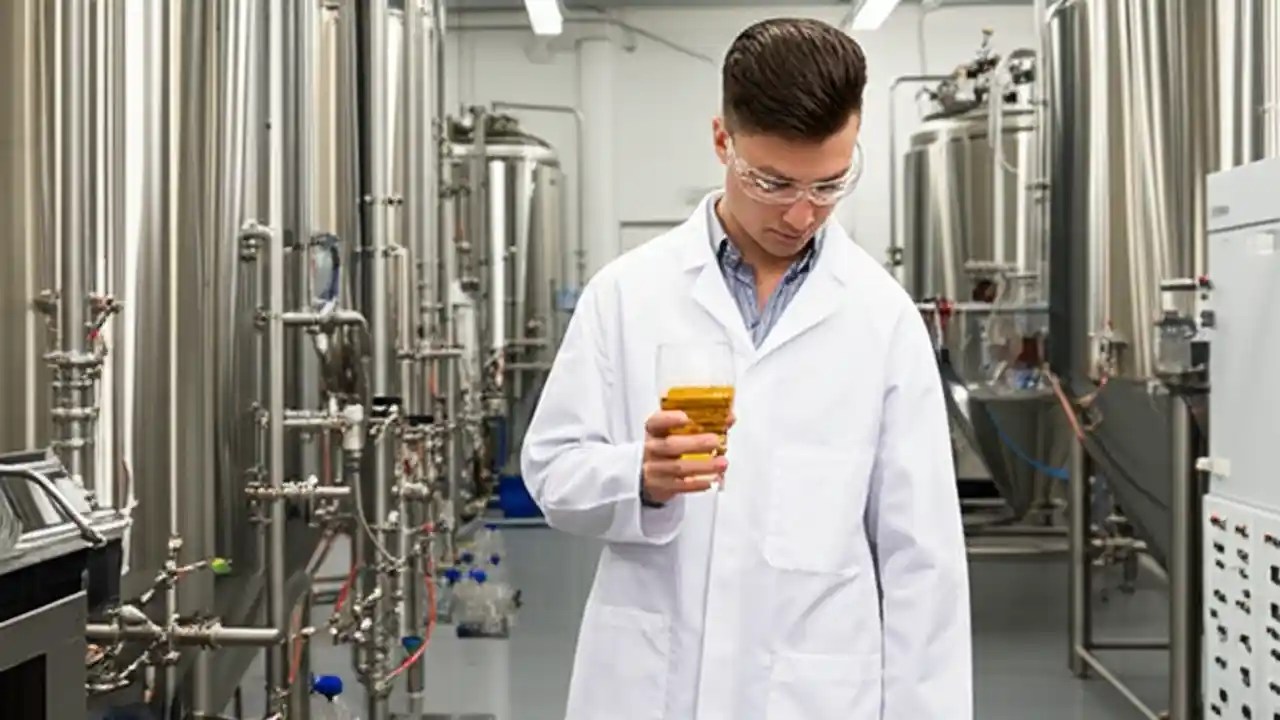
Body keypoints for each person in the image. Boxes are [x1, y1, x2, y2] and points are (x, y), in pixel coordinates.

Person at [520, 16, 972, 720]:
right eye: (773, 181)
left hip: (813, 692)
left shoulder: (881, 319)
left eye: (830, 184)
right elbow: (552, 472)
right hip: (650, 683)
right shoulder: (627, 293)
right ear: (721, 140)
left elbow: (925, 562)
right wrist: (639, 477)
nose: (800, 214)